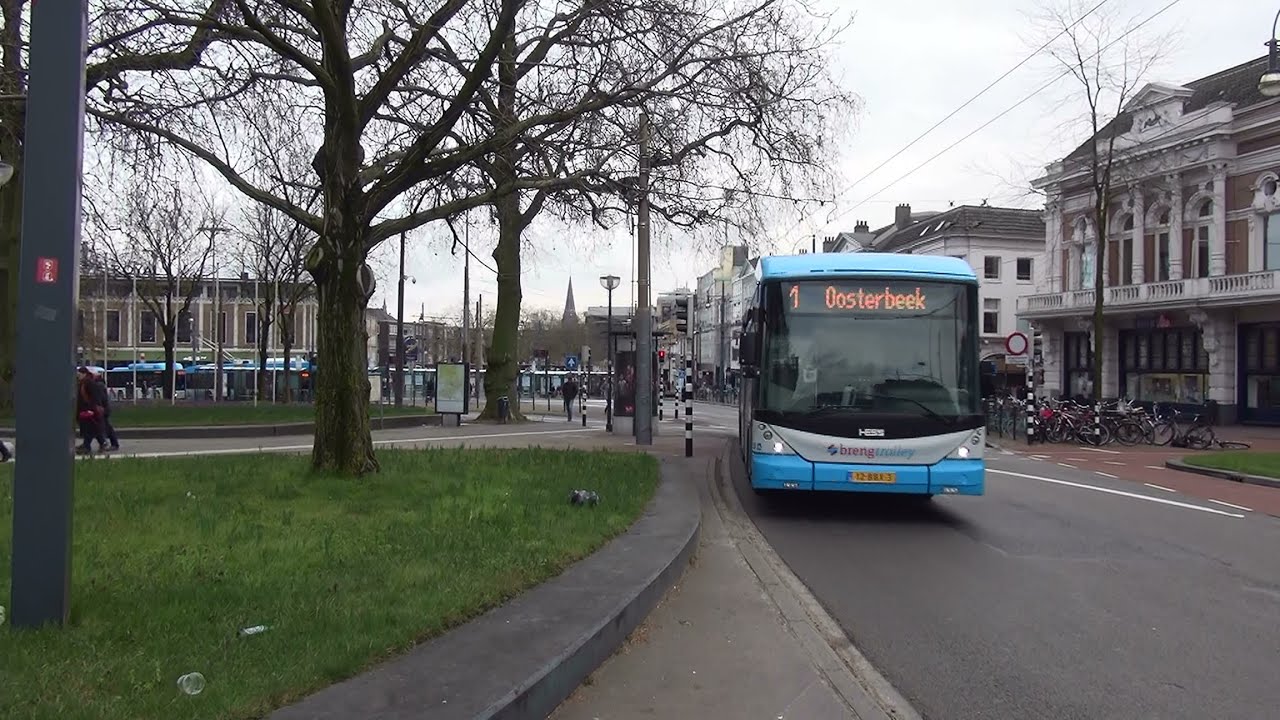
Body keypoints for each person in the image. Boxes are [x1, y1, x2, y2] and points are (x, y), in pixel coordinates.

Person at [75, 366, 108, 455]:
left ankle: (87, 446)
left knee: (89, 429)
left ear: (84, 374)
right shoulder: (83, 383)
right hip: (86, 410)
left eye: (79, 374)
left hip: (89, 410)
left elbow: (95, 397)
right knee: (92, 429)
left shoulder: (89, 383)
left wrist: (92, 409)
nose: (78, 376)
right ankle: (100, 443)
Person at [94, 369, 120, 452]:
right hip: (104, 409)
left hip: (103, 409)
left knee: (106, 427)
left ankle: (111, 444)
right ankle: (106, 443)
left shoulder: (98, 385)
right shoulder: (101, 384)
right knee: (105, 427)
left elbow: (101, 399)